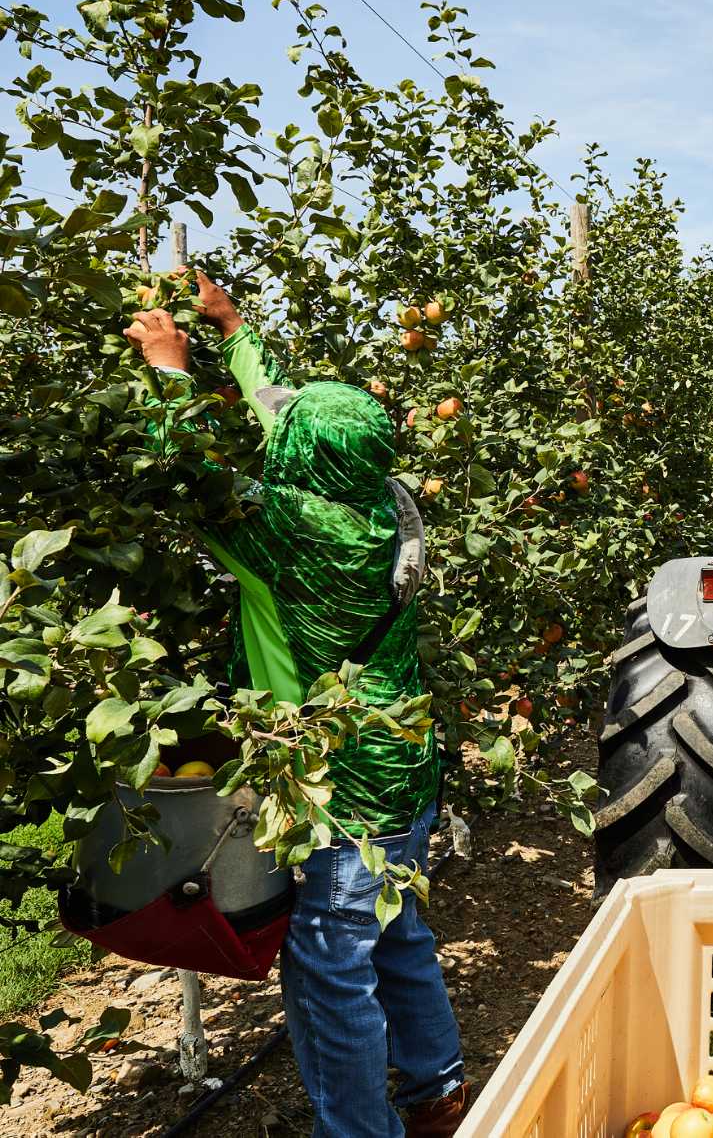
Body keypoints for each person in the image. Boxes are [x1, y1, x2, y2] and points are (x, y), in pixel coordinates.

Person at [124, 271, 467, 1138]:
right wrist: (234, 328)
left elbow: (193, 472)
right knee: (396, 927)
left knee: (329, 966)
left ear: (298, 463)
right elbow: (287, 411)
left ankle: (359, 1131)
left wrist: (169, 367)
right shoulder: (384, 499)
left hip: (331, 782)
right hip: (402, 755)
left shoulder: (280, 526)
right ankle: (437, 1086)